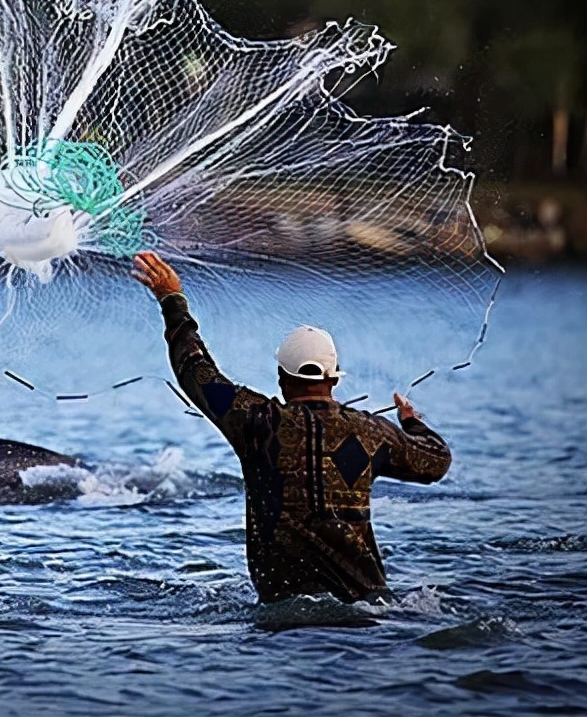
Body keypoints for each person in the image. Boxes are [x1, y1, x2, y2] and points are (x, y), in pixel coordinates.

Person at [131, 251, 452, 604]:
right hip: (370, 610)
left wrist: (172, 299)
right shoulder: (374, 433)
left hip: (284, 612)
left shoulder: (256, 422)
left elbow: (195, 370)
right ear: (333, 378)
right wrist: (412, 423)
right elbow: (435, 462)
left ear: (282, 379)